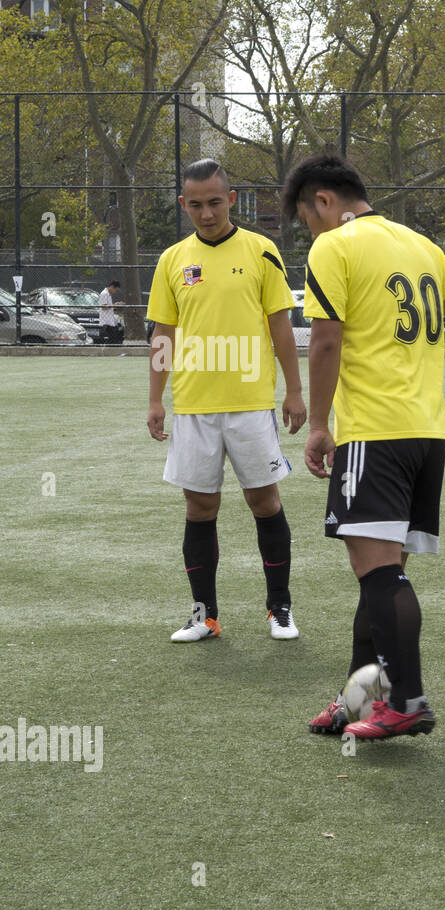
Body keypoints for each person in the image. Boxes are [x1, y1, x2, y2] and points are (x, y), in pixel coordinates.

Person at [284, 153, 445, 741]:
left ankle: (406, 700)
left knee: (379, 576)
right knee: (381, 576)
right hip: (425, 437)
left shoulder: (334, 247)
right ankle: (360, 697)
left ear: (323, 202)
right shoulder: (420, 245)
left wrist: (319, 423)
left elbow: (326, 341)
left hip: (374, 434)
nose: (313, 230)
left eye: (308, 218)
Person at [146, 158, 304, 644]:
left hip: (251, 402)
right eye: (195, 204)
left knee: (263, 500)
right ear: (183, 205)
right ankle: (205, 616)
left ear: (231, 199)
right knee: (200, 508)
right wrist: (156, 399)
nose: (206, 212)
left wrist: (295, 391)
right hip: (193, 405)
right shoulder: (173, 259)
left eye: (215, 202)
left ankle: (280, 608)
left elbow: (281, 325)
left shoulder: (262, 251)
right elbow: (164, 333)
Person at [99, 279, 124, 344]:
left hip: (110, 321)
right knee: (112, 341)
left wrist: (116, 305)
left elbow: (109, 307)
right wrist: (115, 304)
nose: (115, 292)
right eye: (116, 290)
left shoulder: (108, 294)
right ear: (112, 287)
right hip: (106, 323)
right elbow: (103, 307)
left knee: (115, 340)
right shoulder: (104, 294)